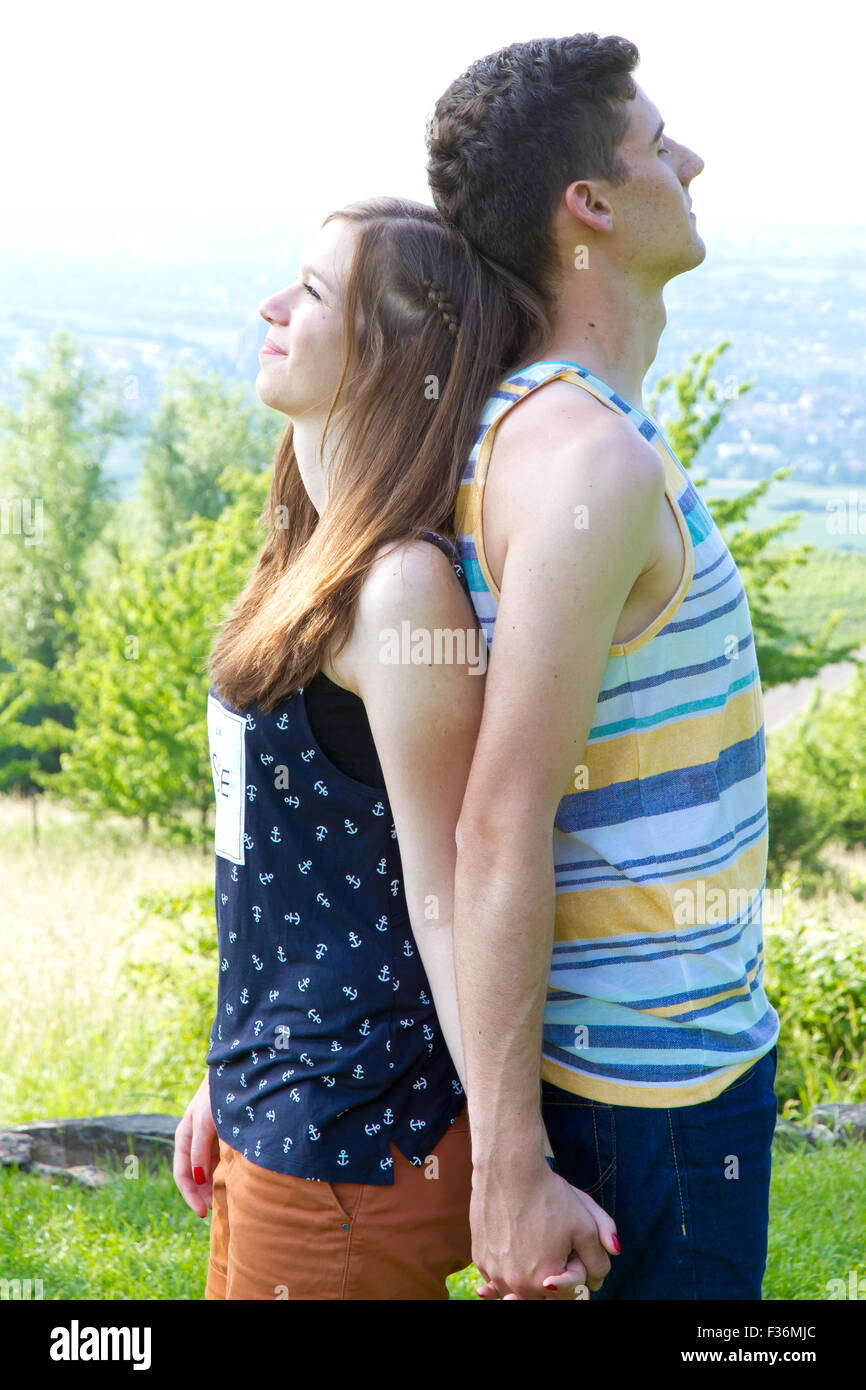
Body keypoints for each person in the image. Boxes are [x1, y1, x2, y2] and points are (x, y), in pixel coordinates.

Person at [172, 196, 619, 1300]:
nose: (271, 307)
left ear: (393, 352)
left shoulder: (397, 589)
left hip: (354, 1147)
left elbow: (449, 884)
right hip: (275, 1112)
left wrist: (515, 1172)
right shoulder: (306, 554)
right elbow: (283, 866)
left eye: (313, 294)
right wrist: (228, 1068)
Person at [426, 32, 780, 1301]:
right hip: (648, 1091)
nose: (688, 161)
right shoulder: (586, 461)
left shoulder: (545, 423)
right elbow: (498, 816)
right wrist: (507, 1168)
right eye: (653, 146)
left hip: (664, 1065)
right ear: (589, 203)